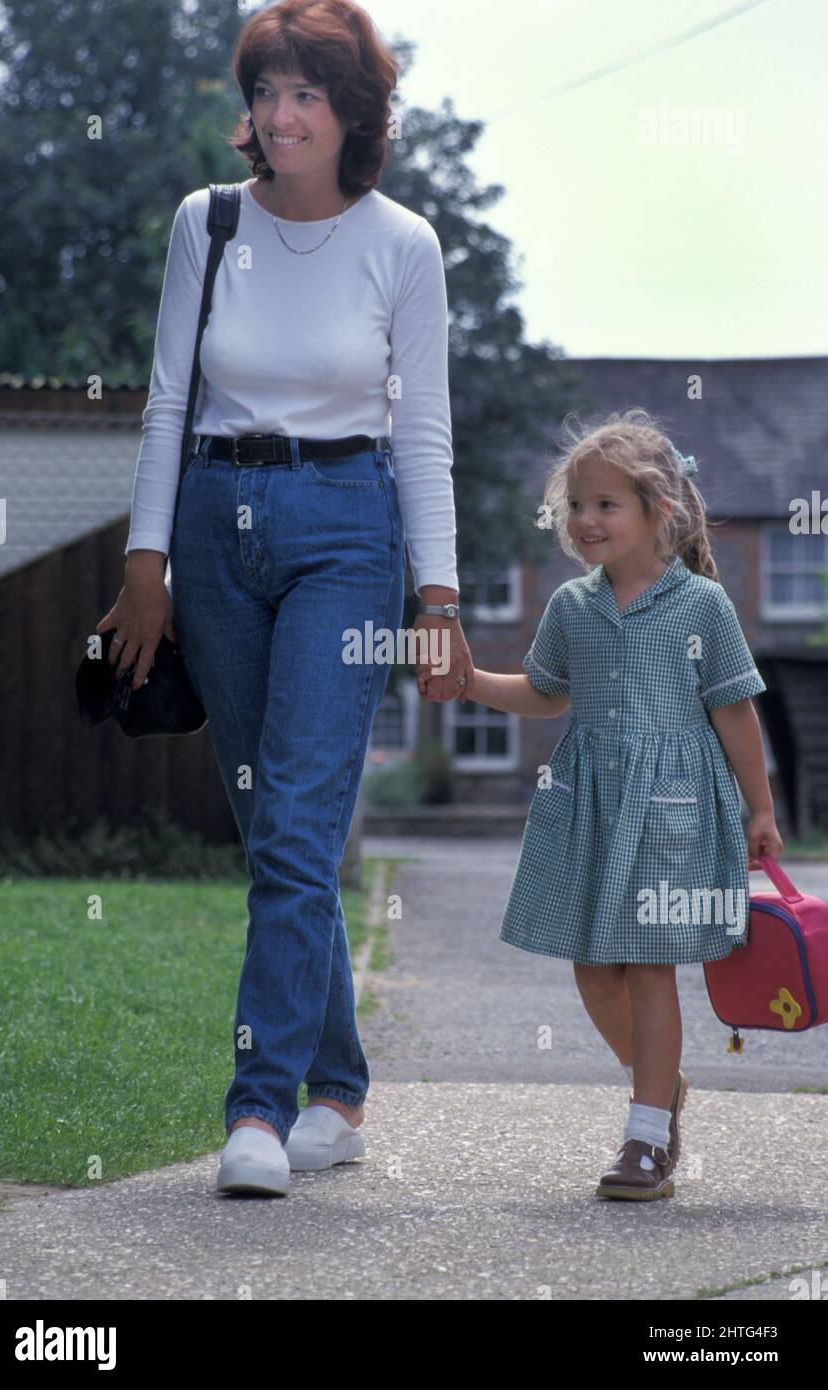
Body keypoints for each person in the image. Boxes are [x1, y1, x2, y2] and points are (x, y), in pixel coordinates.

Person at [96, 0, 473, 1196]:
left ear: (353, 110)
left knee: (299, 829)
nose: (281, 112)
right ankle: (342, 1088)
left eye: (307, 91)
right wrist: (142, 565)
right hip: (214, 527)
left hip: (346, 535)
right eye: (266, 90)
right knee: (276, 835)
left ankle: (258, 1109)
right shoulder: (205, 226)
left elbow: (423, 431)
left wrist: (442, 594)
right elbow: (165, 400)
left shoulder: (403, 243)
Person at [453, 407, 783, 1201]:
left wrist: (760, 811)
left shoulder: (702, 606)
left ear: (656, 512)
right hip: (589, 804)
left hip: (675, 806)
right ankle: (659, 1088)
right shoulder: (571, 605)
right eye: (575, 504)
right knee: (592, 966)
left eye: (605, 504)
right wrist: (467, 682)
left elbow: (734, 710)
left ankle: (643, 1141)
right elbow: (543, 693)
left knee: (646, 968)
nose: (586, 520)